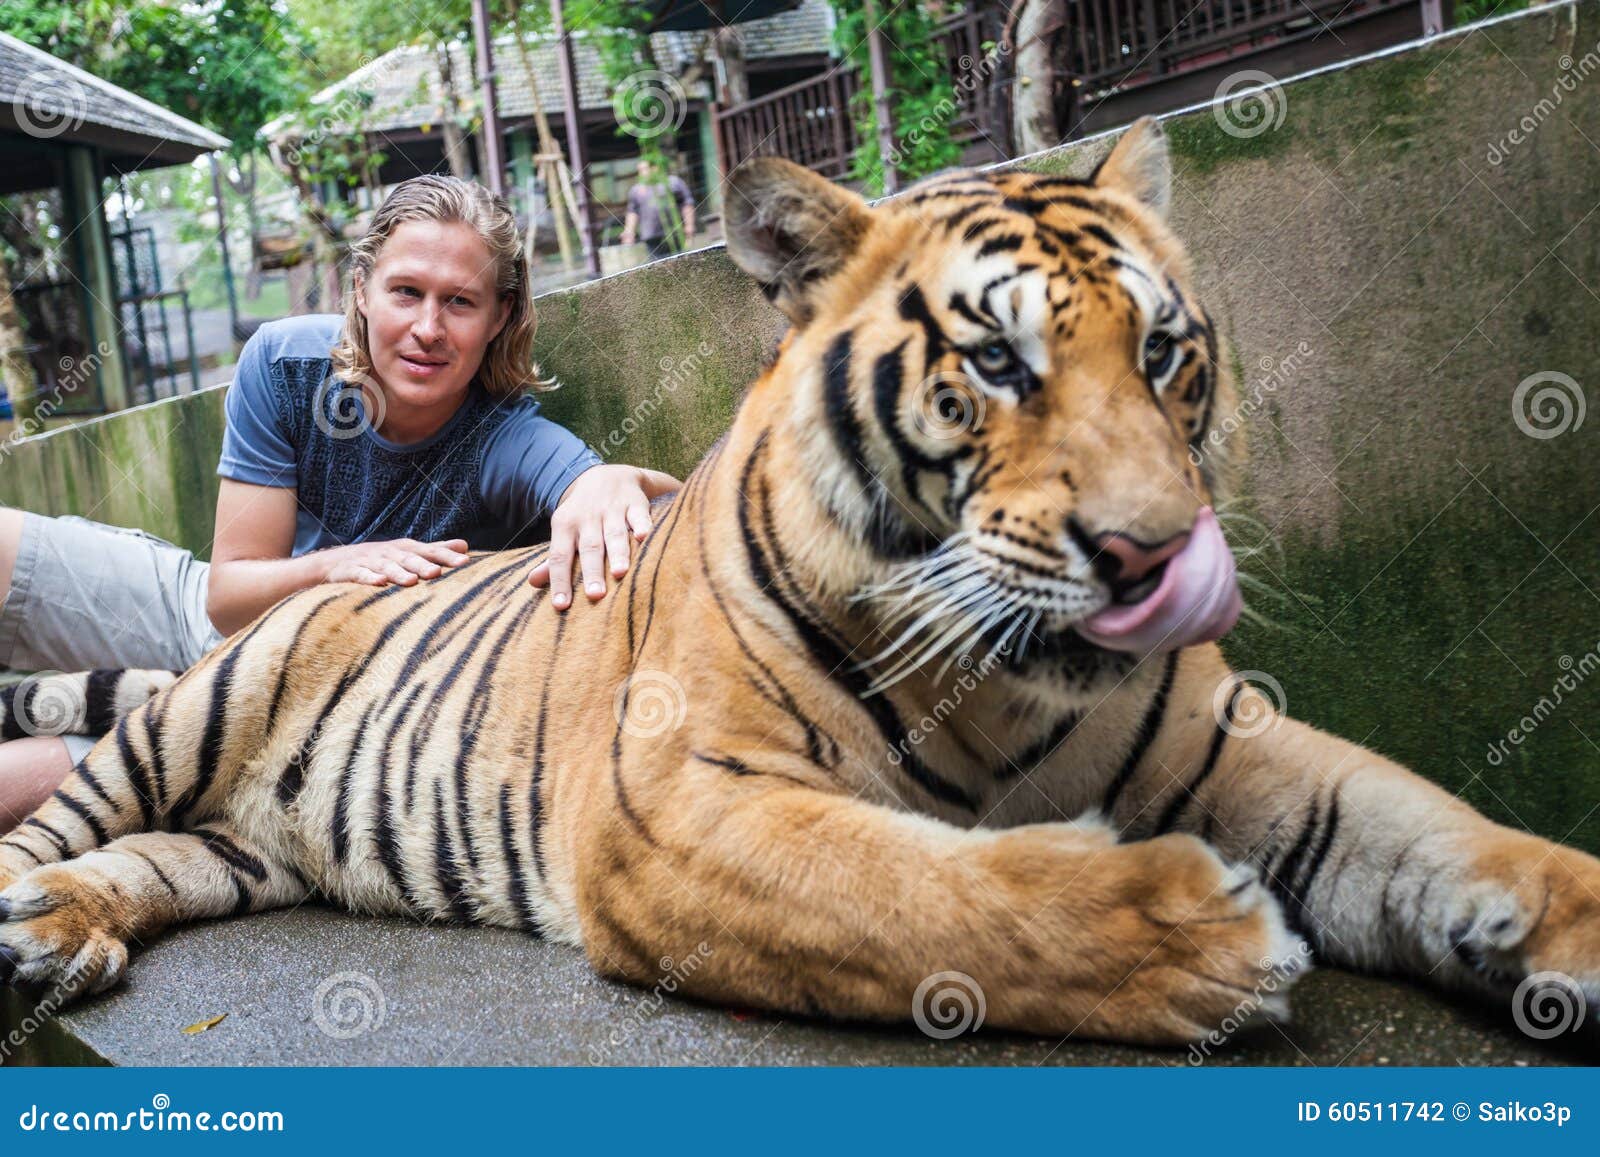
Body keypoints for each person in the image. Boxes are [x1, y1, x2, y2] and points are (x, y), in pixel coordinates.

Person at [0, 174, 678, 830]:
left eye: (460, 303)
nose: (428, 328)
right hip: (215, 615)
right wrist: (338, 564)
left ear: (500, 314)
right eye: (405, 292)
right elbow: (227, 595)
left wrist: (606, 479)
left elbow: (588, 482)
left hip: (281, 716)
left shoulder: (504, 438)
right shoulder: (286, 365)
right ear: (361, 288)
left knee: (15, 786)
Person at [620, 158, 696, 260]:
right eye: (640, 170)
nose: (642, 173)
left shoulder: (673, 182)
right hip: (652, 237)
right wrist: (629, 231)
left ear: (655, 168)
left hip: (676, 234)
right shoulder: (636, 190)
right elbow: (632, 212)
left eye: (645, 169)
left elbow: (687, 204)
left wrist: (689, 225)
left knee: (682, 262)